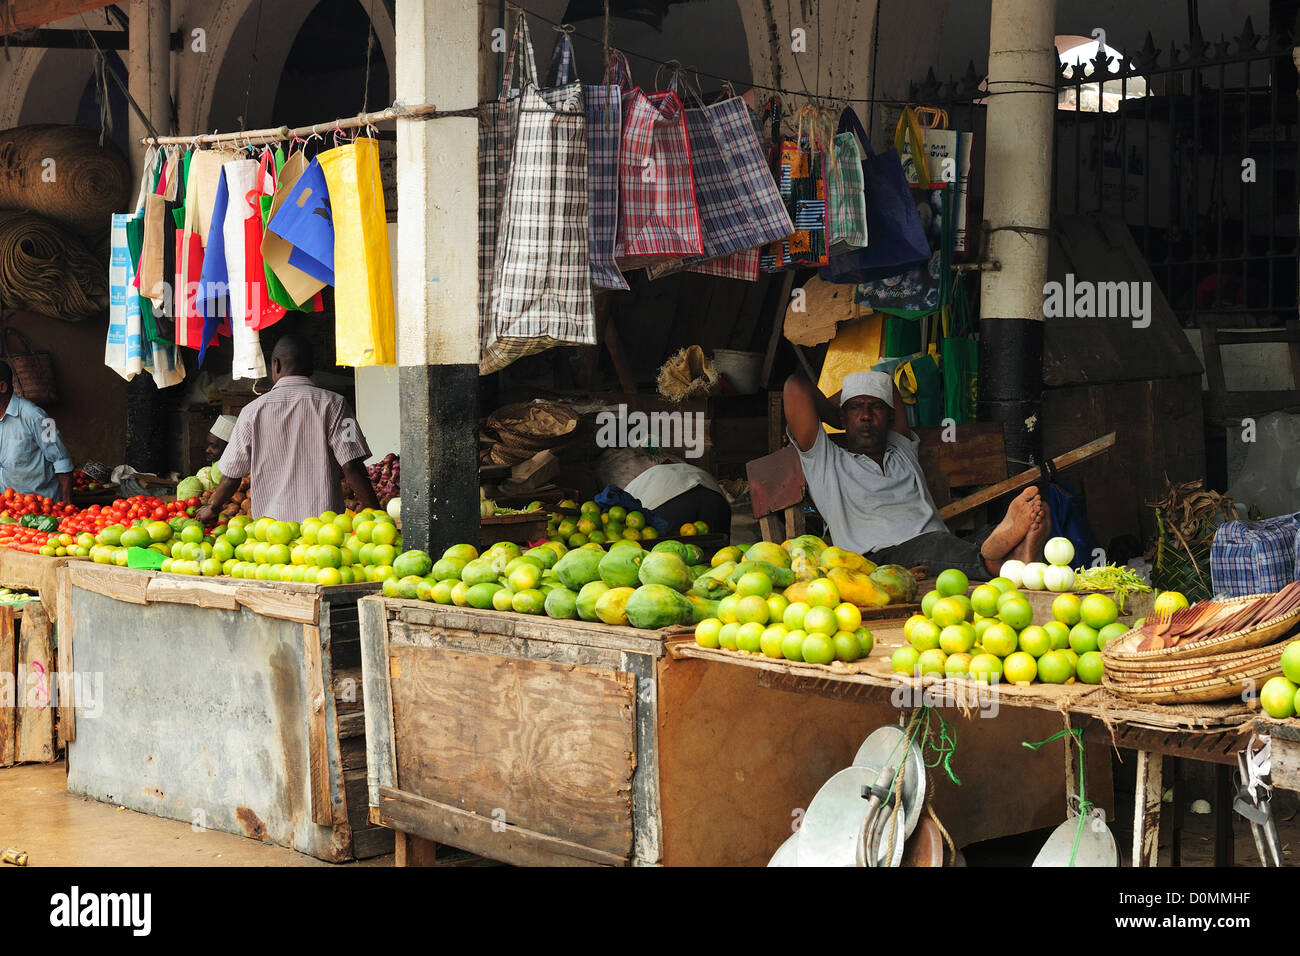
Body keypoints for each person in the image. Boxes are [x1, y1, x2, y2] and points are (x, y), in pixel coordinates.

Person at [783, 369, 1045, 580]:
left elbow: (888, 383)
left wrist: (852, 404)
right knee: (937, 545)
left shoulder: (901, 449)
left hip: (941, 547)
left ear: (889, 417)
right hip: (878, 562)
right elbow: (795, 385)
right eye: (855, 408)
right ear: (843, 415)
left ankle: (1010, 551)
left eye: (875, 407)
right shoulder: (827, 461)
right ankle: (998, 564)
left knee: (995, 529)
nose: (865, 416)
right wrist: (834, 414)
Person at [196, 335, 380, 524]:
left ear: (275, 365)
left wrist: (213, 508)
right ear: (312, 366)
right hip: (324, 531)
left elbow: (231, 475)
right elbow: (352, 466)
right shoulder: (335, 404)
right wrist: (377, 514)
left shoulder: (251, 412)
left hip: (271, 533)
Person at [0, 360, 73, 502]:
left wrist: (67, 508)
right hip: (9, 508)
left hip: (41, 507)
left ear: (2, 387)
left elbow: (62, 461)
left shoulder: (35, 416)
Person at [623, 462, 731, 537]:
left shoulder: (625, 497)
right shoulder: (644, 479)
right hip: (714, 494)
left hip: (671, 499)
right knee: (719, 553)